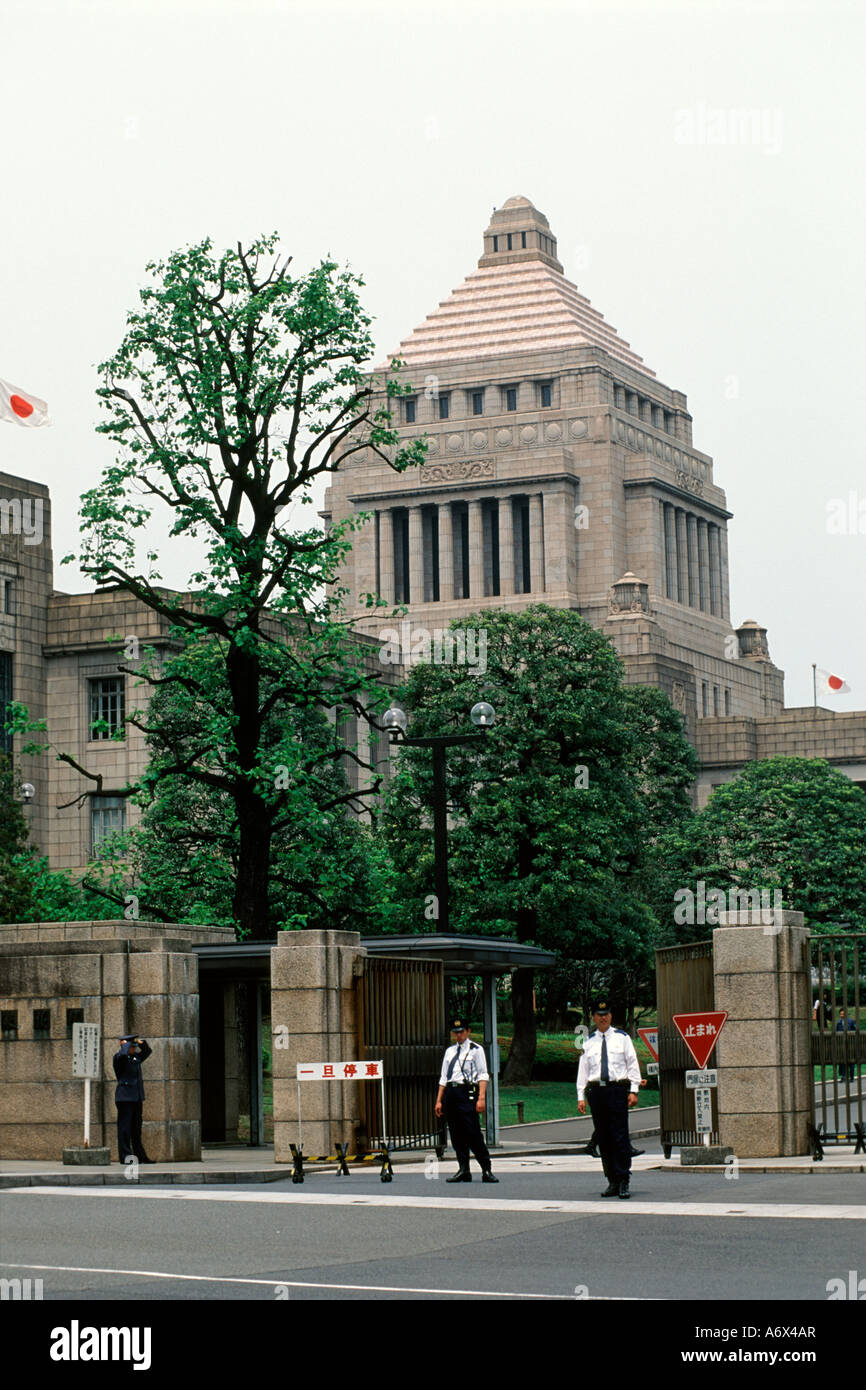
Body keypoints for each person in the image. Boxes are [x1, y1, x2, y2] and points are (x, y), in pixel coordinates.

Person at [577, 999, 641, 1199]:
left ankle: (623, 1179)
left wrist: (634, 1090)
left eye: (606, 1014)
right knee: (603, 1138)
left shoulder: (622, 1038)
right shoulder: (588, 1042)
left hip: (617, 1090)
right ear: (593, 1017)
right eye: (599, 1015)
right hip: (597, 1092)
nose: (603, 1018)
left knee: (619, 1136)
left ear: (611, 1016)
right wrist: (581, 1096)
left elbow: (632, 1064)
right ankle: (611, 1180)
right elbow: (583, 1071)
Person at [435, 1017, 498, 1183]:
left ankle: (486, 1169)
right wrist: (439, 1100)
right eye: (455, 1033)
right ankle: (463, 1169)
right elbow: (443, 1077)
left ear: (468, 1031)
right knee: (456, 1133)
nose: (459, 1035)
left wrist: (482, 1098)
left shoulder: (476, 1050)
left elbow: (483, 1074)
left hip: (467, 1092)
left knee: (473, 1132)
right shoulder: (449, 1051)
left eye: (461, 1032)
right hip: (451, 1093)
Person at [113, 1034, 154, 1164]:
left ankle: (140, 1156)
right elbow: (123, 1055)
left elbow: (147, 1051)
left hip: (136, 1097)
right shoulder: (119, 1058)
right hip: (124, 1098)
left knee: (136, 1129)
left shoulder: (135, 1058)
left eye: (134, 1047)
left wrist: (141, 1042)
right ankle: (126, 1156)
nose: (134, 1049)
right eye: (132, 1047)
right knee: (124, 1129)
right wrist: (125, 1045)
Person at [836, 1008, 857, 1082]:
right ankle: (843, 1076)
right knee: (842, 1061)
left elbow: (855, 1031)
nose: (842, 1015)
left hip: (850, 1044)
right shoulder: (838, 1022)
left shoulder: (851, 1021)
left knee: (851, 1060)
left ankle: (851, 1076)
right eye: (841, 1014)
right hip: (841, 1044)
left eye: (843, 1014)